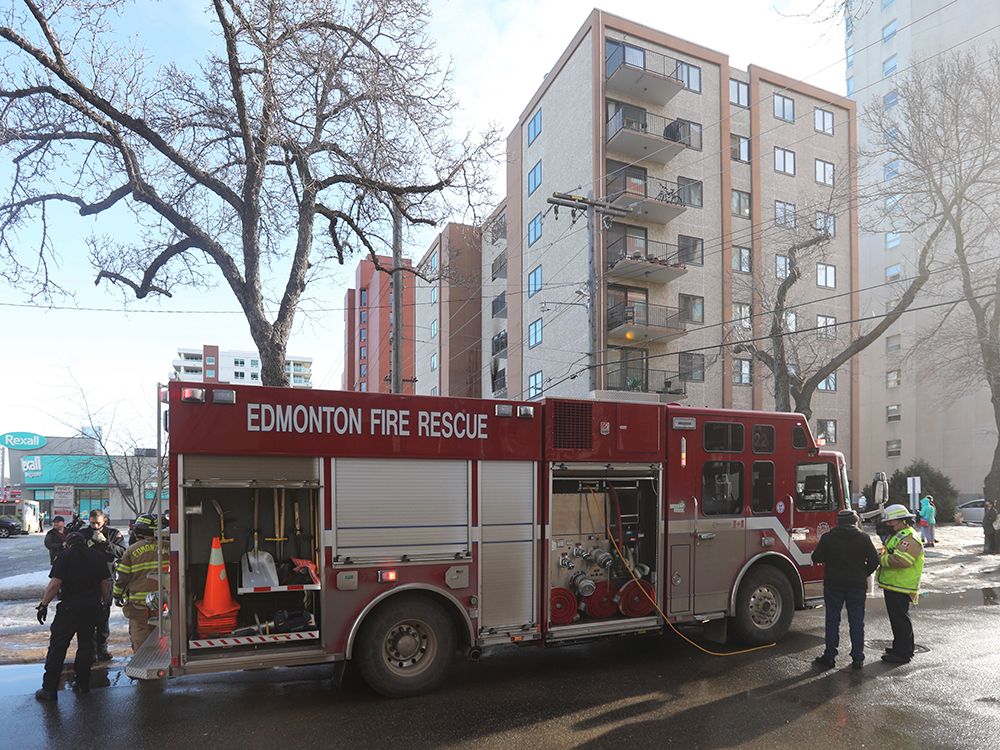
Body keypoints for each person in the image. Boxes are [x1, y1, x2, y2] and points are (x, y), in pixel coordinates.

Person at [34, 531, 112, 701]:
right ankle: (83, 685)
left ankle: (49, 689)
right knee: (86, 647)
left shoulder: (64, 556)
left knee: (58, 647)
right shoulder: (97, 556)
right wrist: (104, 603)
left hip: (69, 609)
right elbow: (105, 584)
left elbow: (55, 584)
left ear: (68, 544)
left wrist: (43, 605)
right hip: (91, 608)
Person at [810, 509, 880, 670]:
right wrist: (863, 573)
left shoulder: (828, 538)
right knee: (856, 621)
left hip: (833, 584)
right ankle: (857, 658)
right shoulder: (863, 538)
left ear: (838, 522)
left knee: (832, 620)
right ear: (855, 521)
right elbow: (875, 560)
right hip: (856, 585)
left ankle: (830, 656)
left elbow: (816, 557)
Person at [877, 504, 925, 664]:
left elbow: (902, 561)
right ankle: (899, 647)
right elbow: (892, 552)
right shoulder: (900, 534)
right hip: (893, 584)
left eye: (892, 522)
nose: (889, 525)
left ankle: (903, 653)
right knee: (896, 619)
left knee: (900, 620)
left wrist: (880, 560)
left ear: (903, 521)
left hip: (901, 586)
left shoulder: (909, 538)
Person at [113, 514, 169, 652]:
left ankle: (143, 659)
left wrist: (117, 596)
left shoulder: (131, 550)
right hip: (162, 602)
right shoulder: (169, 547)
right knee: (161, 633)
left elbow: (122, 578)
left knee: (140, 638)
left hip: (138, 605)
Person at [81, 509, 126, 661]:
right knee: (87, 616)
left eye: (98, 523)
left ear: (104, 520)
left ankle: (102, 648)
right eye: (92, 523)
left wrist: (105, 543)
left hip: (107, 579)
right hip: (87, 579)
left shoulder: (113, 534)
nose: (94, 526)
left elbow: (122, 553)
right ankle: (90, 650)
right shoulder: (83, 533)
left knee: (103, 615)